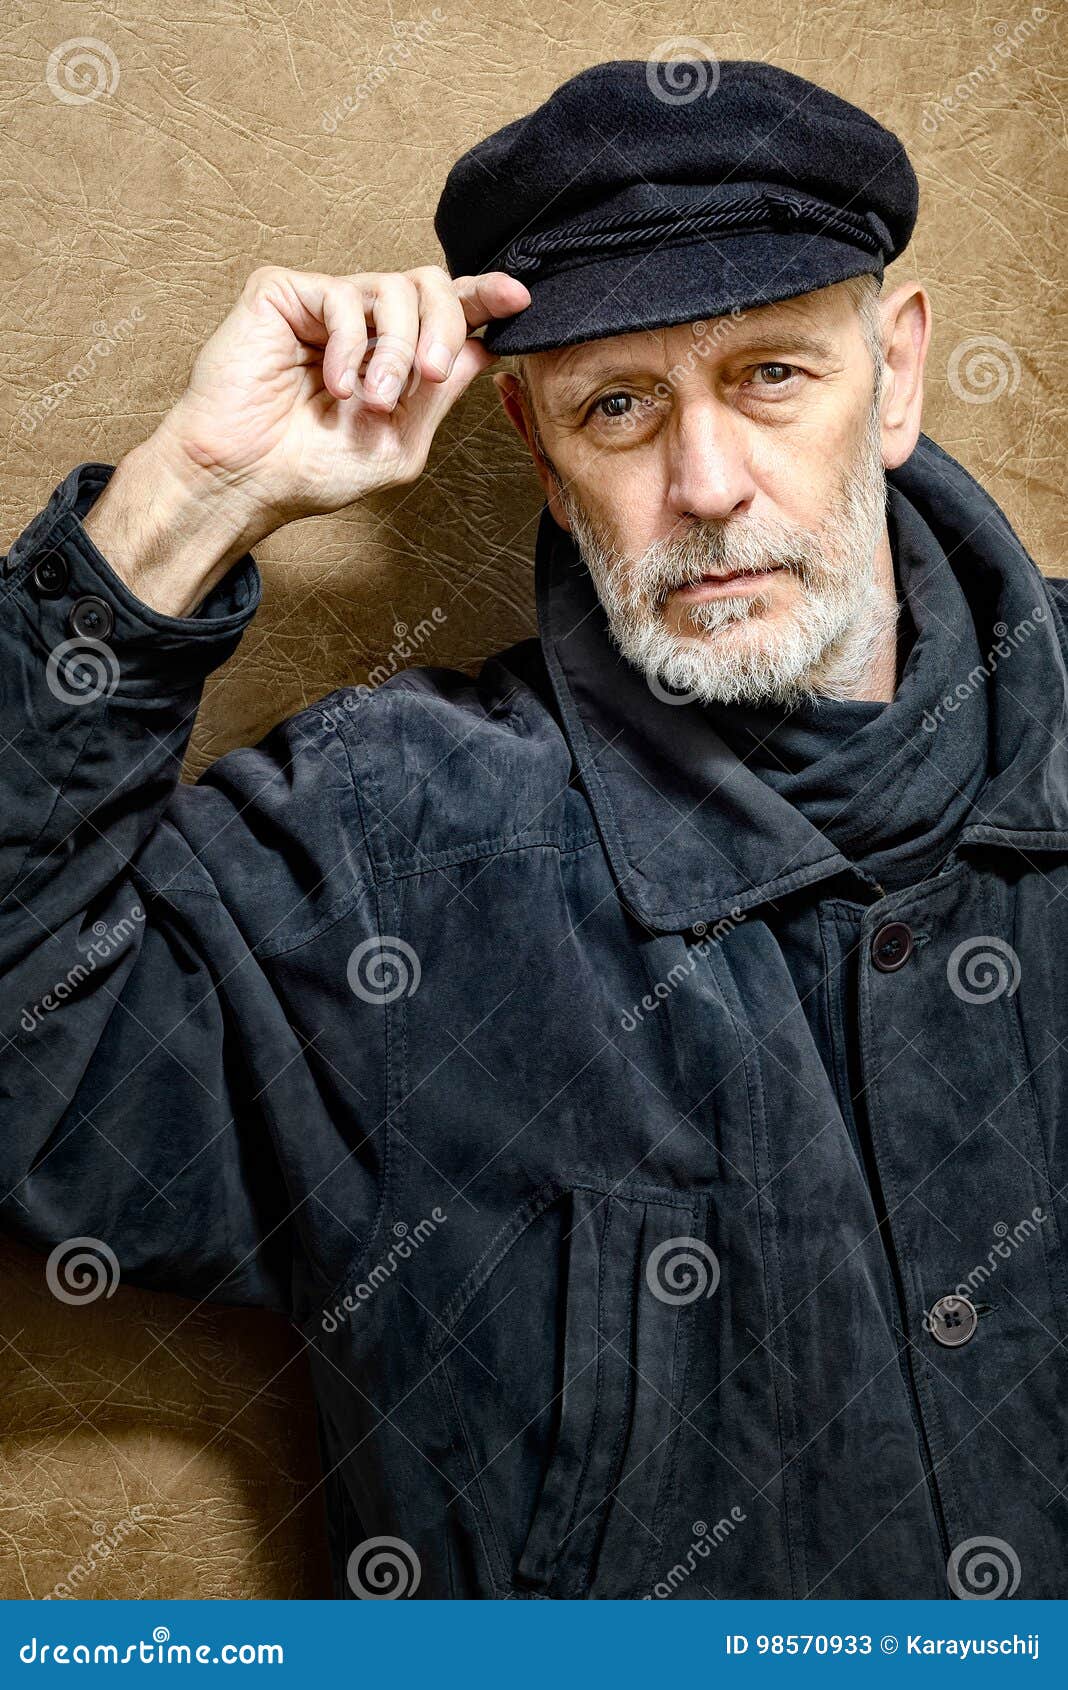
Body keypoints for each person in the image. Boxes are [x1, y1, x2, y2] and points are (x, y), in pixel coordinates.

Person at [2, 58, 1065, 1602]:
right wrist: (193, 491)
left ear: (895, 373)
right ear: (535, 442)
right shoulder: (388, 848)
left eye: (773, 373)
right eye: (619, 404)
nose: (705, 484)